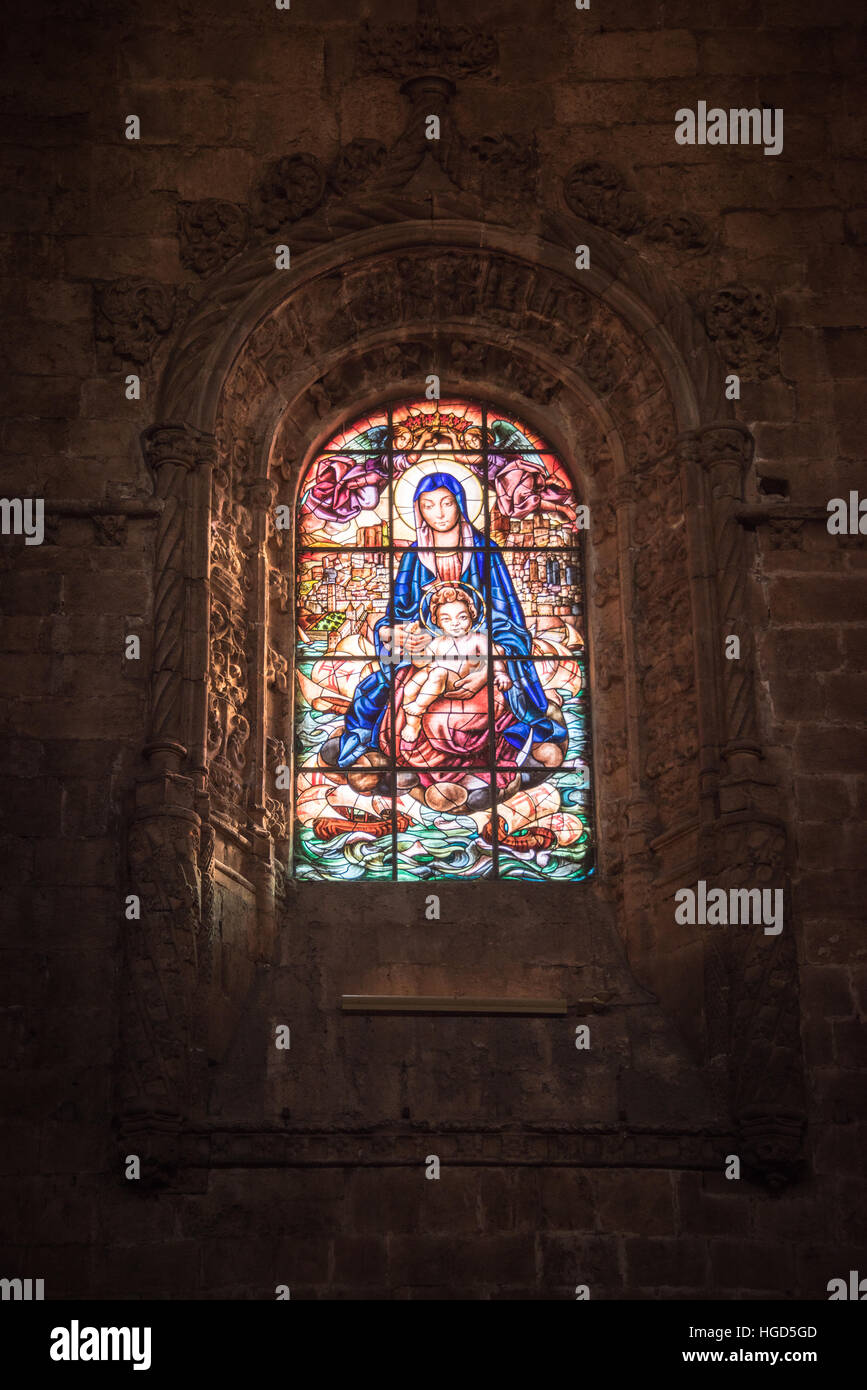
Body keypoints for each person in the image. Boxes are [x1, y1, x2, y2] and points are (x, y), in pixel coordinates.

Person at [336, 471, 566, 783]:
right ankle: (375, 750)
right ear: (418, 510)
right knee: (379, 689)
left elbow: (505, 613)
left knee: (507, 685)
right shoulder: (413, 558)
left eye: (446, 503)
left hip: (481, 649)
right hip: (430, 653)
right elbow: (398, 614)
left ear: (460, 504)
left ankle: (520, 745)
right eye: (428, 505)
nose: (439, 513)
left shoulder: (487, 552)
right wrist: (393, 634)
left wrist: (485, 655)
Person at [399, 585, 512, 748]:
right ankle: (412, 724)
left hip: (456, 681)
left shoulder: (478, 640)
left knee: (438, 672)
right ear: (437, 621)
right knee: (410, 688)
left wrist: (501, 673)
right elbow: (421, 662)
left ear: (472, 616)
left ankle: (419, 706)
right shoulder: (437, 642)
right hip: (436, 681)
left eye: (462, 617)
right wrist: (412, 641)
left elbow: (494, 657)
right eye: (446, 619)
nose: (455, 624)